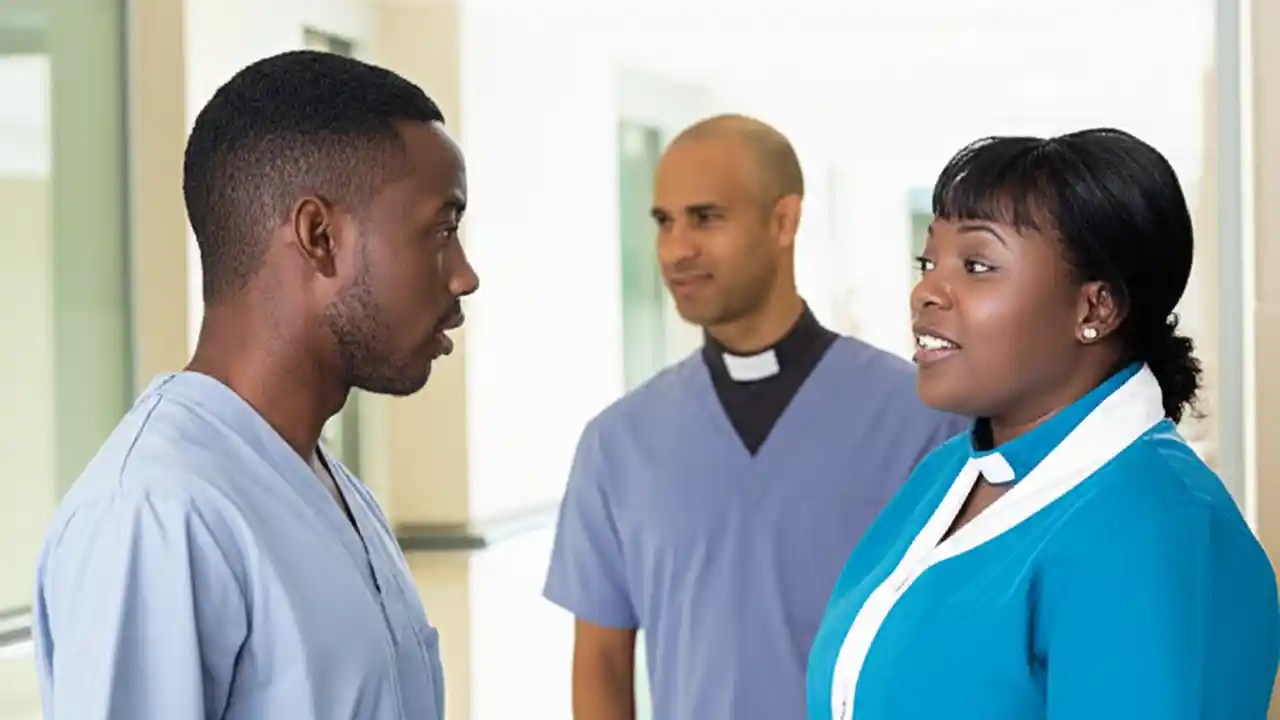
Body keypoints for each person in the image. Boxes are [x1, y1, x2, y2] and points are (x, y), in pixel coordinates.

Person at [32, 50, 478, 720]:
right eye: (441, 229)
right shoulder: (161, 513)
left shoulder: (330, 489)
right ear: (319, 235)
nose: (464, 274)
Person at [807, 128, 1280, 720]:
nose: (927, 290)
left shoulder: (1157, 527)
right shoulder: (944, 476)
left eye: (977, 265)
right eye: (929, 261)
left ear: (1095, 308)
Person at [543, 114, 967, 719]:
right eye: (664, 222)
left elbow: (960, 647)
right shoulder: (618, 444)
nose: (677, 249)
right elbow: (602, 664)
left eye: (706, 217)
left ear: (784, 220)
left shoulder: (921, 421)